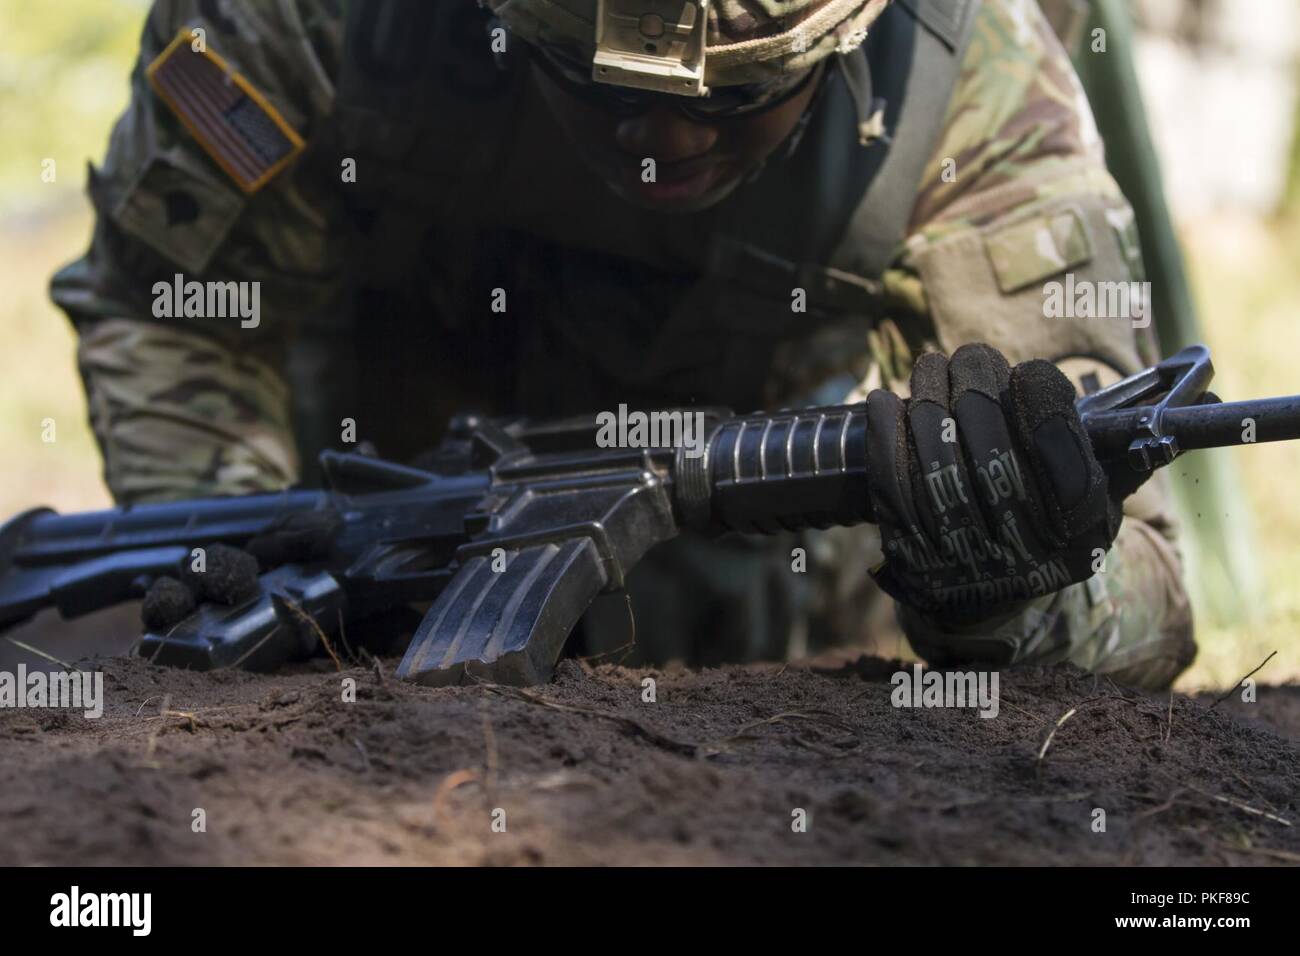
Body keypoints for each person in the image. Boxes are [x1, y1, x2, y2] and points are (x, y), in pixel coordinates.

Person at [51, 0, 1194, 688]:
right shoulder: (322, 18)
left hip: (764, 615)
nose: (668, 139)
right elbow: (174, 305)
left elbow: (1139, 580)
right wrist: (255, 550)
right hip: (367, 544)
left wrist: (1008, 587)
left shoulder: (975, 92)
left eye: (747, 96)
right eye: (601, 89)